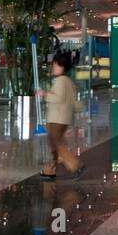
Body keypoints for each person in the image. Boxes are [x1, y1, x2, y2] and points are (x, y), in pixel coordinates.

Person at [38, 51, 84, 181]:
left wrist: (44, 94)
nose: (54, 67)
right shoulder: (68, 81)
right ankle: (49, 170)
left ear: (63, 67)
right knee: (53, 144)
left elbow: (58, 98)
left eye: (56, 65)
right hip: (61, 117)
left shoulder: (61, 81)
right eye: (53, 65)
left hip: (57, 118)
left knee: (57, 144)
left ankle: (76, 165)